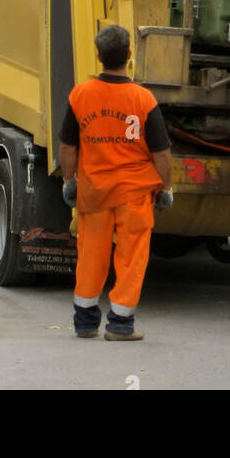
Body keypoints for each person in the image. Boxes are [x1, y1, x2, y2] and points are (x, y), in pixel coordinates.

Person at [58, 24, 172, 341]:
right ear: (130, 56)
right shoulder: (143, 99)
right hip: (134, 194)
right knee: (131, 258)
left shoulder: (80, 94)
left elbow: (68, 146)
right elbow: (161, 152)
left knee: (91, 256)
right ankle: (120, 326)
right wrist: (166, 187)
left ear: (98, 56)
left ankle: (84, 322)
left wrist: (70, 181)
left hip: (94, 193)